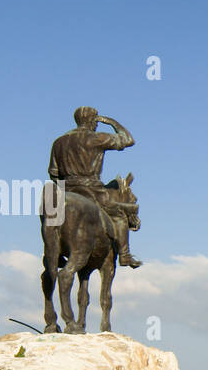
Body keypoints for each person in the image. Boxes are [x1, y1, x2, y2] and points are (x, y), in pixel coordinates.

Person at [48, 106, 141, 267]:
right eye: (96, 121)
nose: (96, 125)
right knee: (119, 215)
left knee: (51, 218)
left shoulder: (59, 142)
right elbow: (128, 140)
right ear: (92, 121)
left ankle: (53, 253)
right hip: (92, 191)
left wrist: (65, 188)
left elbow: (54, 173)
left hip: (65, 190)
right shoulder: (96, 138)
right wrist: (112, 122)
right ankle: (125, 256)